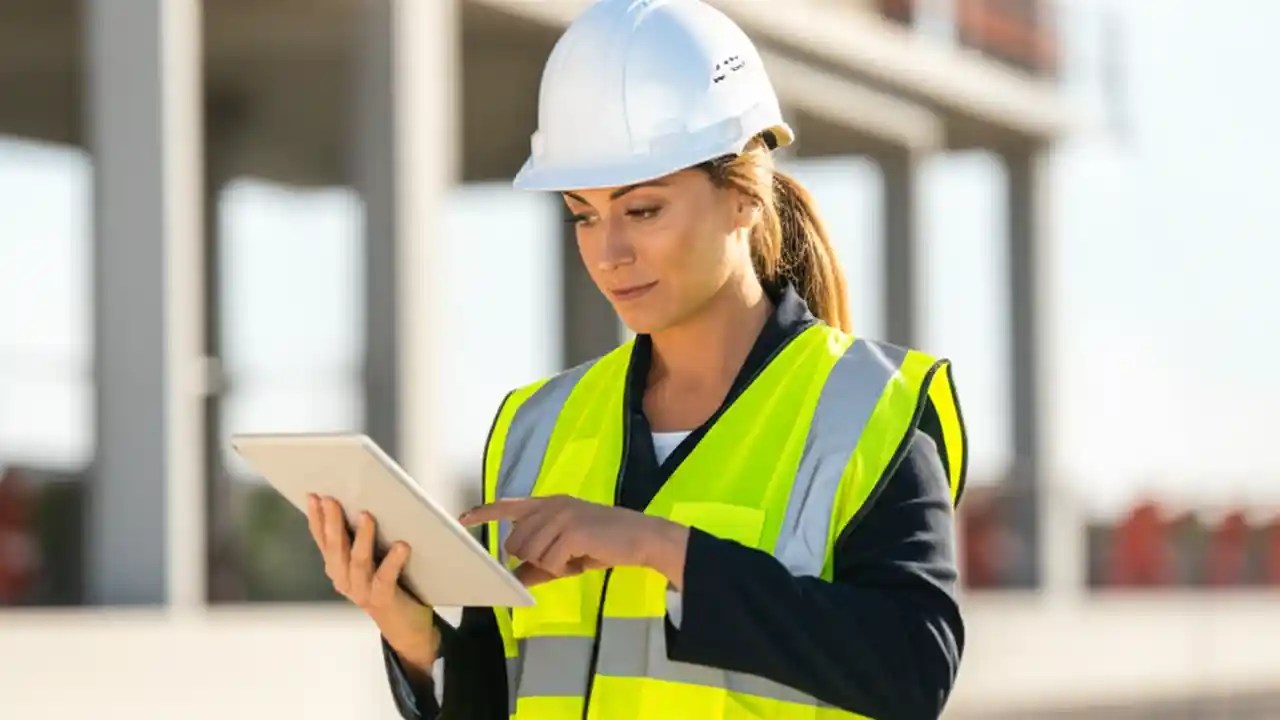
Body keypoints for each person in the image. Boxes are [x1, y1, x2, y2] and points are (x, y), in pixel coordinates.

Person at [305, 0, 968, 718]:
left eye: (643, 210)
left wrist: (661, 547)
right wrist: (421, 647)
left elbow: (914, 669)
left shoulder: (869, 410)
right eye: (584, 214)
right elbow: (506, 698)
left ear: (743, 196)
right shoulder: (537, 427)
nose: (608, 253)